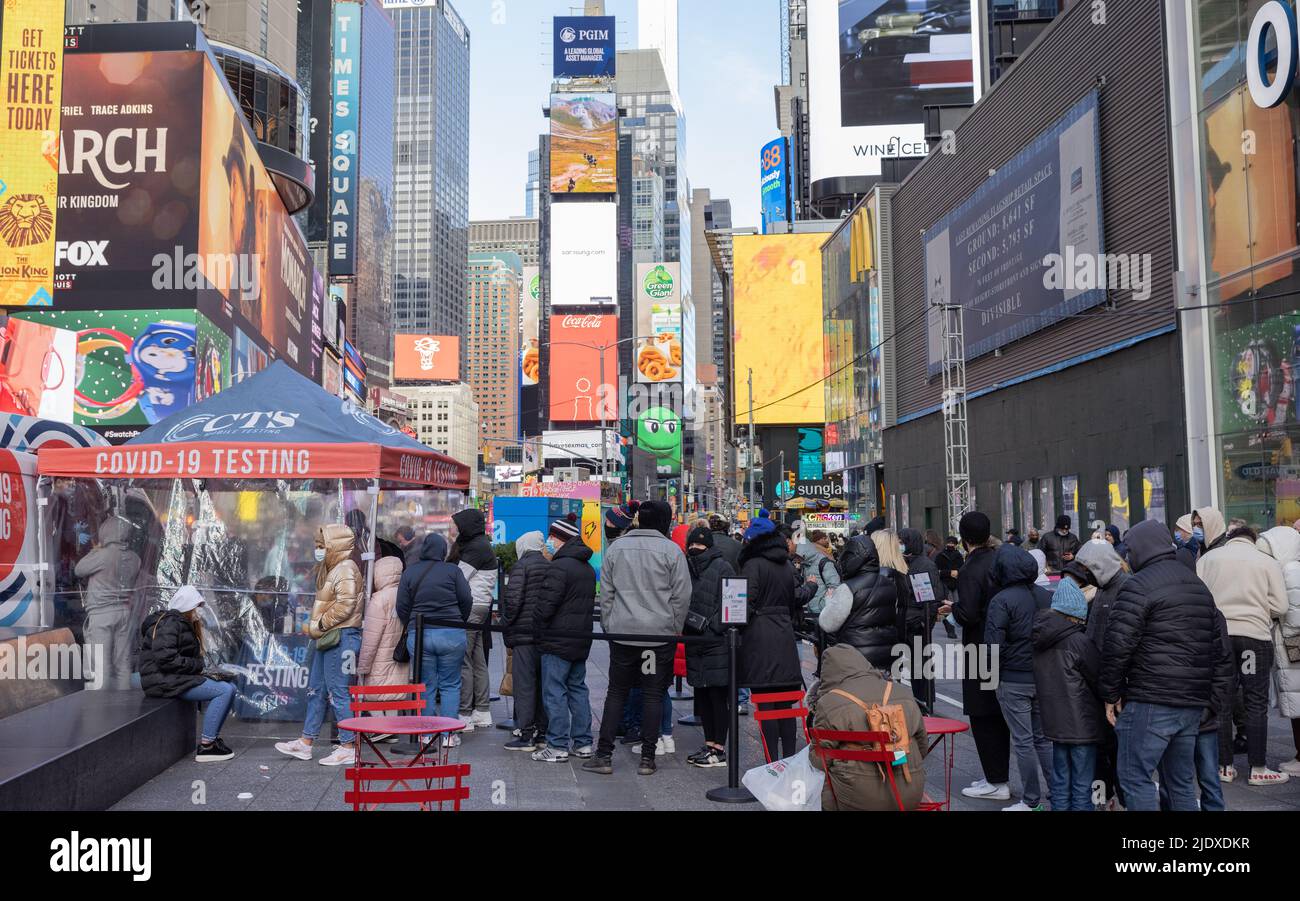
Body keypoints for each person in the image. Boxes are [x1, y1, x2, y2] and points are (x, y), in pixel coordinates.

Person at [1100, 520, 1219, 811]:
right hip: (1191, 701)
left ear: (1139, 549)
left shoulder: (1138, 586)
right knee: (1179, 783)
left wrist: (1109, 693)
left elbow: (1118, 645)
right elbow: (1215, 645)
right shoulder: (1198, 585)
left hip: (1151, 698)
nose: (1127, 557)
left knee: (1134, 777)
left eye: (1129, 550)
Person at [586, 500, 691, 777]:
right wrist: (673, 627)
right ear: (665, 522)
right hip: (658, 635)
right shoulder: (672, 551)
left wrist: (610, 625)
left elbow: (606, 593)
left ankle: (604, 754)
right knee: (653, 694)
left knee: (616, 693)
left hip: (623, 632)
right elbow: (682, 595)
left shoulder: (617, 548)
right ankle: (647, 758)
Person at [1197, 525, 1291, 785]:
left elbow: (1199, 598)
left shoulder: (1207, 560)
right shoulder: (1266, 562)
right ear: (1254, 540)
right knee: (1256, 703)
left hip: (1220, 636)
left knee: (1222, 701)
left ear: (1230, 539)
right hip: (1254, 637)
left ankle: (1224, 767)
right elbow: (1281, 606)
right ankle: (1258, 768)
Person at [275, 524, 364, 767]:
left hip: (341, 636)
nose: (317, 550)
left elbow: (345, 605)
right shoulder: (335, 568)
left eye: (321, 546)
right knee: (316, 690)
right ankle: (306, 742)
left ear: (334, 546)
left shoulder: (345, 568)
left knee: (338, 692)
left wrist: (319, 624)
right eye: (316, 546)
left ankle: (348, 746)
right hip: (330, 637)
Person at [808, 645, 929, 810]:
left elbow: (818, 761)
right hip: (910, 793)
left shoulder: (829, 702)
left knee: (821, 777)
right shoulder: (902, 691)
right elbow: (922, 746)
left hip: (859, 799)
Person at [985, 543, 1054, 810]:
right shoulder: (1046, 596)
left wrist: (993, 679)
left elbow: (992, 646)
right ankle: (1057, 792)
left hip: (1013, 679)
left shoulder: (1001, 600)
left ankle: (1031, 800)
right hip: (1042, 677)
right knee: (1043, 740)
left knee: (1023, 741)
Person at [734, 512, 807, 762]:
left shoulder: (753, 565)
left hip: (760, 639)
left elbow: (746, 601)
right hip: (785, 637)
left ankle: (772, 763)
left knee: (766, 705)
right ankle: (789, 760)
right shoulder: (786, 565)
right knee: (785, 705)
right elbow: (795, 598)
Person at [139, 586, 236, 762]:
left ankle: (212, 739)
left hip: (173, 678)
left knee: (231, 687)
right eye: (197, 606)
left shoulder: (181, 623)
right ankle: (207, 747)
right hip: (162, 681)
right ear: (188, 606)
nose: (200, 611)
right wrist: (197, 665)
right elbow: (166, 659)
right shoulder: (169, 624)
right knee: (224, 690)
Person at [1032, 577, 1102, 811]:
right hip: (1083, 724)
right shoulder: (1079, 642)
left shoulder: (1040, 639)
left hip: (1055, 724)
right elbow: (1098, 679)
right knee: (1083, 786)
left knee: (1060, 783)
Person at [394, 532, 472, 739]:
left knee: (426, 685)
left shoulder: (410, 572)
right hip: (451, 633)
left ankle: (426, 734)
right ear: (443, 550)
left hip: (420, 635)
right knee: (450, 684)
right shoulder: (453, 571)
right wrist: (458, 621)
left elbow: (401, 605)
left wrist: (411, 623)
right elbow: (466, 599)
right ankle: (448, 735)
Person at [532, 515, 596, 763]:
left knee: (554, 691)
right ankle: (583, 743)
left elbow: (546, 605)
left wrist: (538, 628)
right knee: (578, 689)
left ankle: (557, 744)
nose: (548, 542)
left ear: (560, 540)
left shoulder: (559, 567)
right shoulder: (587, 568)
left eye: (552, 538)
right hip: (581, 638)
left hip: (557, 639)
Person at [1073, 538, 1129, 808]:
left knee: (1114, 748)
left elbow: (1117, 644)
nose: (1085, 574)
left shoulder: (1122, 590)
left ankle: (1116, 798)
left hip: (1112, 684)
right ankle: (1106, 798)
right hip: (1100, 681)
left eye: (1088, 568)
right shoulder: (1103, 590)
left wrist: (1112, 688)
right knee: (1103, 747)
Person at [683, 524, 735, 768]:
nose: (695, 549)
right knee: (703, 695)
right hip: (696, 639)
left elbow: (733, 604)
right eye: (692, 545)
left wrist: (712, 626)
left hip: (715, 640)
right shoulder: (686, 567)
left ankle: (718, 749)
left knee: (716, 696)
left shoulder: (722, 567)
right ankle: (710, 745)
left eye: (700, 545)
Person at [819, 529, 907, 672]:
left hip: (856, 658)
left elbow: (828, 624)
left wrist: (830, 599)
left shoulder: (848, 588)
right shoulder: (890, 584)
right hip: (886, 656)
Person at [76, 517, 142, 691]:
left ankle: (98, 709)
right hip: (124, 614)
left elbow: (79, 569)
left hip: (101, 615)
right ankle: (122, 707)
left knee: (100, 666)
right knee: (123, 664)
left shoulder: (103, 555)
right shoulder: (135, 558)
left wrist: (95, 549)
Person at [1255, 526, 1300, 777]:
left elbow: (1292, 613)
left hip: (1294, 643)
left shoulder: (1291, 570)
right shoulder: (1289, 567)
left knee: (1297, 702)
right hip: (1292, 642)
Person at [448, 508, 498, 730]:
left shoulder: (476, 548)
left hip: (470, 607)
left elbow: (458, 577)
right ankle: (483, 711)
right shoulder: (481, 544)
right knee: (478, 660)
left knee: (464, 660)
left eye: (455, 524)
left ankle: (465, 713)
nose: (452, 528)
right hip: (481, 607)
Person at [501, 531, 550, 752]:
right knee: (542, 685)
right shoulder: (549, 566)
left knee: (525, 685)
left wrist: (507, 628)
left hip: (524, 633)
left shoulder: (522, 567)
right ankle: (542, 733)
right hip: (544, 635)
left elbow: (512, 601)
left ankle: (526, 734)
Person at [900, 528, 944, 715]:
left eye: (902, 541)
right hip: (906, 621)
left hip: (917, 622)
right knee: (912, 665)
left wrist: (926, 622)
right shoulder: (905, 562)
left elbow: (932, 598)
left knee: (920, 665)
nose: (899, 545)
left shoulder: (923, 565)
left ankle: (924, 701)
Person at [357, 556, 406, 707]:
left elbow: (370, 640)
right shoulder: (405, 595)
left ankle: (380, 730)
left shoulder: (379, 600)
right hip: (400, 661)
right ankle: (391, 728)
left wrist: (363, 667)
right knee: (394, 697)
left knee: (377, 698)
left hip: (379, 663)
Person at [935, 534, 963, 639]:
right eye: (949, 542)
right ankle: (950, 629)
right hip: (945, 584)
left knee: (956, 605)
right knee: (949, 606)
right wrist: (949, 573)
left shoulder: (959, 555)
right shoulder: (940, 555)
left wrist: (958, 573)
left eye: (953, 543)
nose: (951, 545)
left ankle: (949, 622)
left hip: (956, 584)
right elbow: (937, 571)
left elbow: (962, 569)